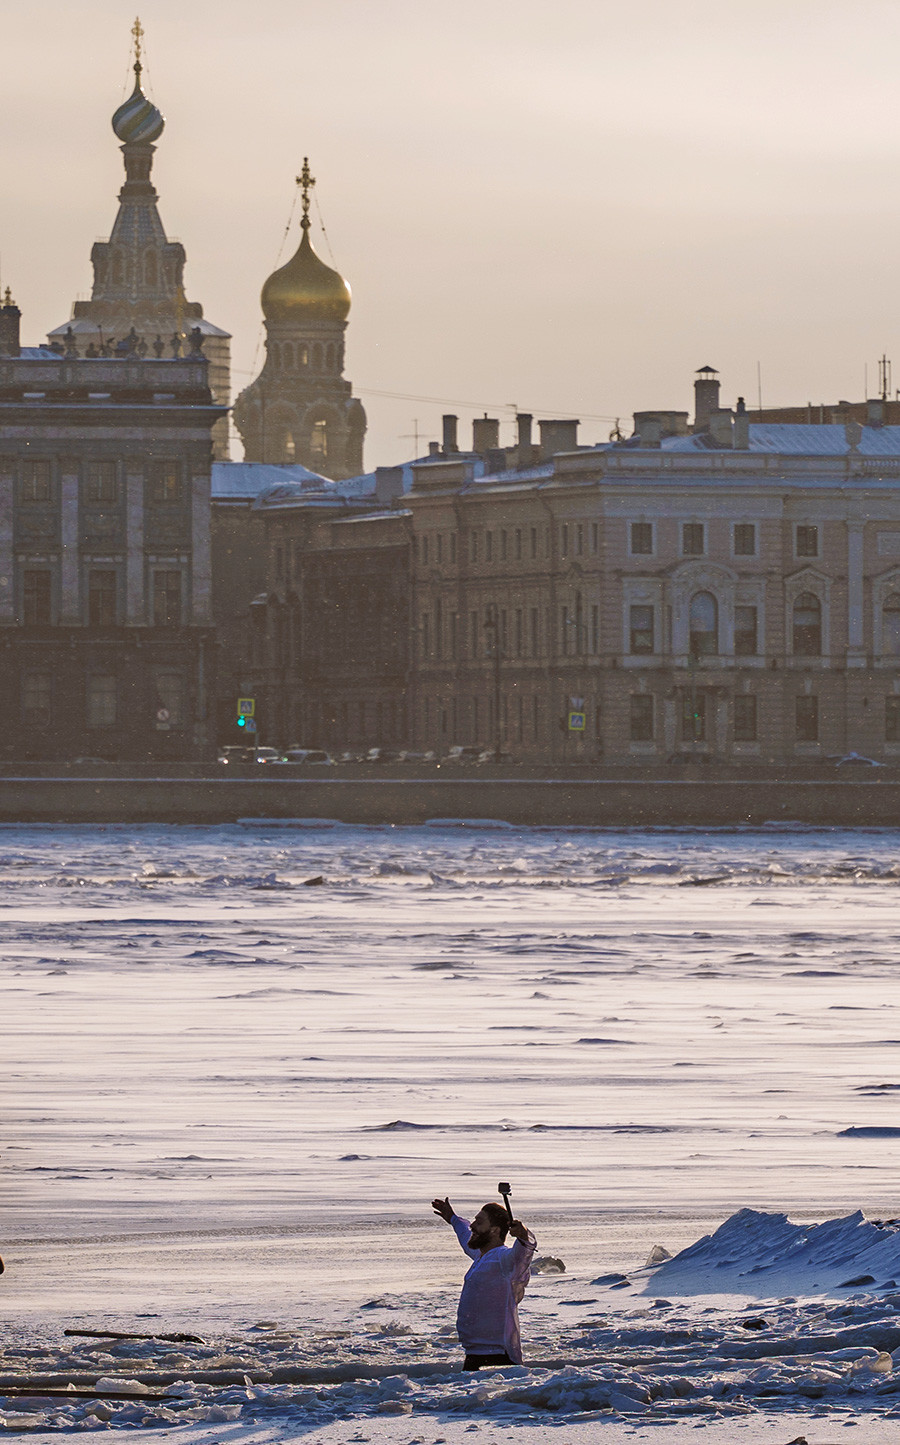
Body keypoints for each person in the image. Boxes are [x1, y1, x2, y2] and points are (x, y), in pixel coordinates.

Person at [431, 1195, 536, 1370]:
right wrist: (452, 1218)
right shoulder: (481, 1256)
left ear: (495, 1230)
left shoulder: (504, 1259)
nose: (472, 1225)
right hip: (474, 1354)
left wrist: (523, 1234)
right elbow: (466, 1235)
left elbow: (523, 1254)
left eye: (479, 1222)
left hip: (498, 1357)